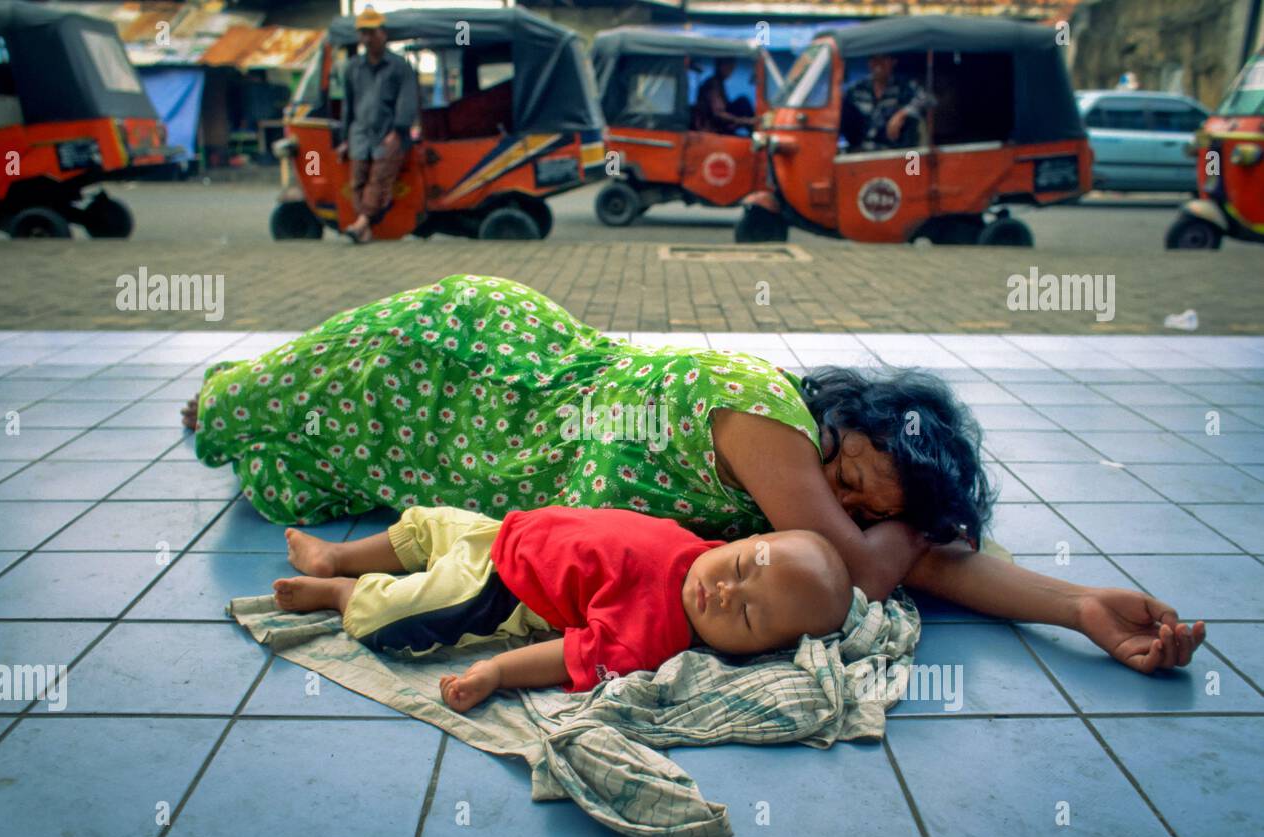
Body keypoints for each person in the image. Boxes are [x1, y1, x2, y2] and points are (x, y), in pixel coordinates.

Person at [181, 273, 1206, 677]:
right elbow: (867, 568)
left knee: (300, 459)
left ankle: (228, 404)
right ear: (845, 421)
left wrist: (1079, 607)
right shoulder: (762, 408)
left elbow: (905, 558)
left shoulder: (807, 502)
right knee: (257, 401)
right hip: (478, 365)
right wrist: (890, 540)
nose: (841, 512)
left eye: (863, 510)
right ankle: (216, 395)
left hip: (467, 452)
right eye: (853, 479)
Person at [270, 505, 852, 712]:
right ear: (744, 541)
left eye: (746, 616)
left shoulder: (651, 636)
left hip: (500, 592)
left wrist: (496, 672)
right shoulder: (699, 548)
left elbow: (568, 654)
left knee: (399, 617)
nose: (726, 592)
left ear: (754, 654)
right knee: (427, 524)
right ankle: (339, 556)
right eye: (744, 567)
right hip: (507, 529)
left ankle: (349, 594)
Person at [335, 6, 419, 244]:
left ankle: (361, 223)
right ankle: (366, 227)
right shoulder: (353, 68)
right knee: (357, 182)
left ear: (383, 34)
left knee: (379, 181)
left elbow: (407, 102)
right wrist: (344, 139)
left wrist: (398, 132)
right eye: (363, 33)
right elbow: (348, 106)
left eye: (371, 32)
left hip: (389, 134)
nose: (367, 38)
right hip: (360, 133)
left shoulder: (399, 66)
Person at [841, 54, 934, 151]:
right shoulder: (856, 89)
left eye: (883, 58)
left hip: (892, 153)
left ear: (893, 62)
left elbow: (929, 100)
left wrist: (902, 114)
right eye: (874, 59)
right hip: (859, 152)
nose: (878, 63)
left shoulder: (904, 86)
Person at [690, 58, 757, 135]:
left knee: (742, 101)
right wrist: (743, 120)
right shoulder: (712, 85)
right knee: (743, 102)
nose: (731, 70)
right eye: (729, 66)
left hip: (720, 125)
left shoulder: (718, 83)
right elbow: (718, 113)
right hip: (712, 129)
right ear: (721, 66)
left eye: (732, 67)